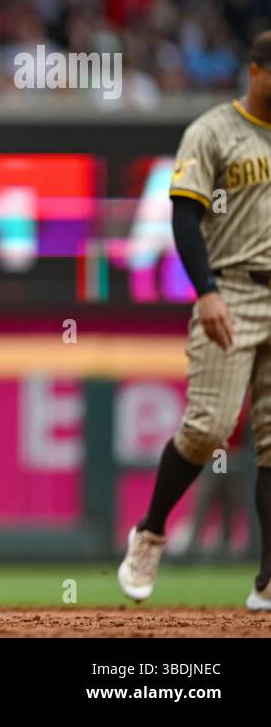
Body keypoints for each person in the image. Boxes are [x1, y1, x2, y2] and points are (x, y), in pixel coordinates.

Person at [118, 30, 271, 612]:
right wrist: (205, 291)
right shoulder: (212, 131)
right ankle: (150, 534)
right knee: (208, 427)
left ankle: (268, 581)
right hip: (231, 290)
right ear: (256, 71)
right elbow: (185, 218)